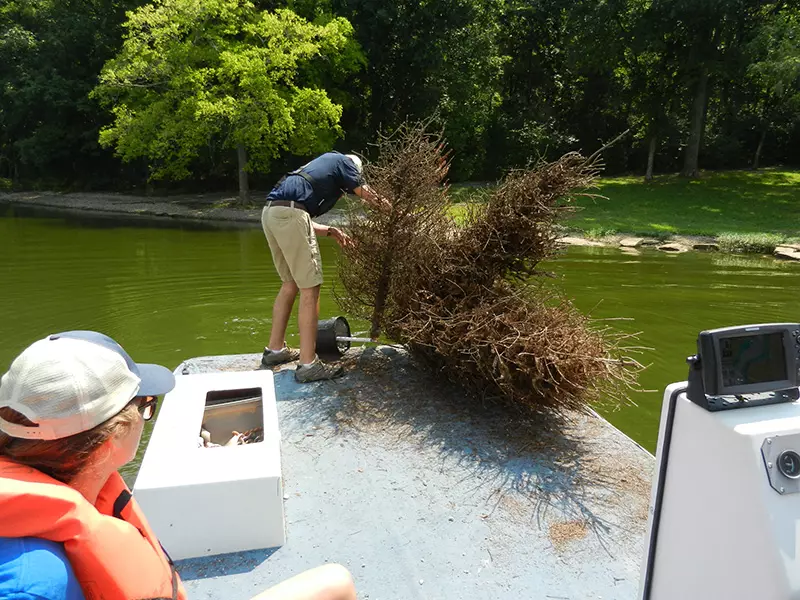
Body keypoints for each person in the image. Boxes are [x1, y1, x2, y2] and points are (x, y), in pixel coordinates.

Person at [0, 330, 357, 600]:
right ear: (110, 440)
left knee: (334, 582)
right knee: (336, 584)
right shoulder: (33, 584)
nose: (147, 415)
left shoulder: (62, 480)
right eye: (145, 407)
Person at [260, 151, 390, 382]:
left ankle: (275, 351)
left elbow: (297, 216)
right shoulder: (344, 162)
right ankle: (308, 365)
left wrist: (331, 231)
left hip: (271, 213)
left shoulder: (313, 171)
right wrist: (396, 212)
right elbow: (367, 194)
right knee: (310, 289)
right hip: (289, 215)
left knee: (290, 284)